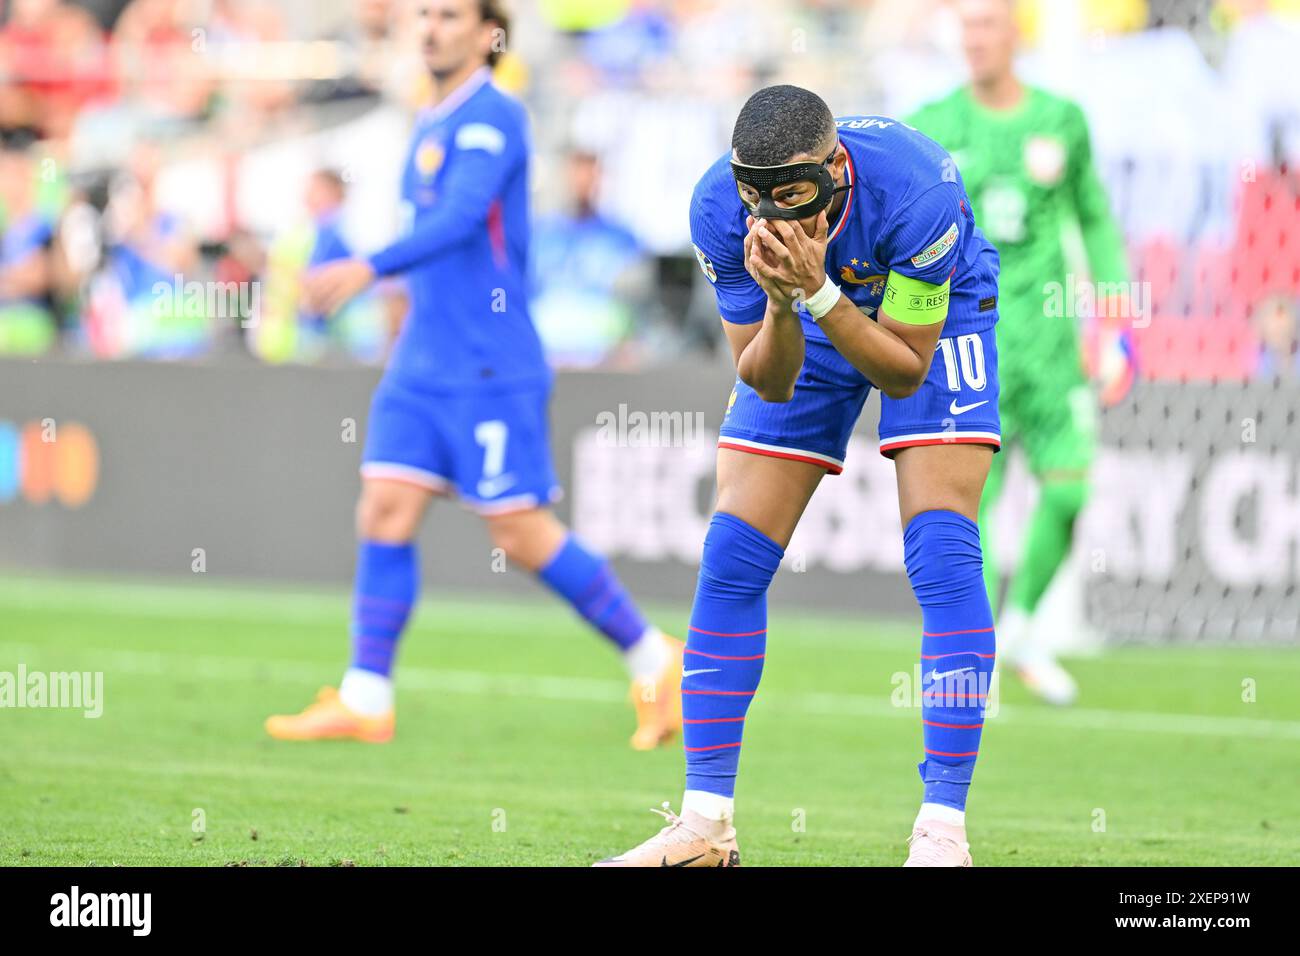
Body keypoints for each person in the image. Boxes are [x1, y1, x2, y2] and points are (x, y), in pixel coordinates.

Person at [597, 84, 1001, 867]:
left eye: (795, 194)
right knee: (732, 554)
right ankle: (705, 827)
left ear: (837, 167)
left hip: (933, 319)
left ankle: (943, 830)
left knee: (943, 551)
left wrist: (819, 291)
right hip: (810, 313)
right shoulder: (719, 208)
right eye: (759, 194)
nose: (774, 216)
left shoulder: (918, 191)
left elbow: (906, 373)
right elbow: (768, 379)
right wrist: (786, 305)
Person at [266, 0, 682, 750]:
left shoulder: (494, 116)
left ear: (489, 34)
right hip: (421, 362)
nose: (430, 26)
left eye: (450, 14)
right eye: (422, 12)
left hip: (488, 363)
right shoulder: (430, 121)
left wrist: (369, 266)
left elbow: (459, 220)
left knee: (520, 533)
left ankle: (656, 661)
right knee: (384, 509)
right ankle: (366, 697)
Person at [907, 0, 1133, 705]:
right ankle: (972, 660)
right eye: (965, 27)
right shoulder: (934, 124)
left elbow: (1093, 217)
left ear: (1015, 33)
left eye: (987, 25)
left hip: (1053, 340)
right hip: (970, 342)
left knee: (1068, 490)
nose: (974, 40)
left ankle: (1025, 627)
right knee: (971, 503)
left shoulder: (1061, 119)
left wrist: (1117, 324)